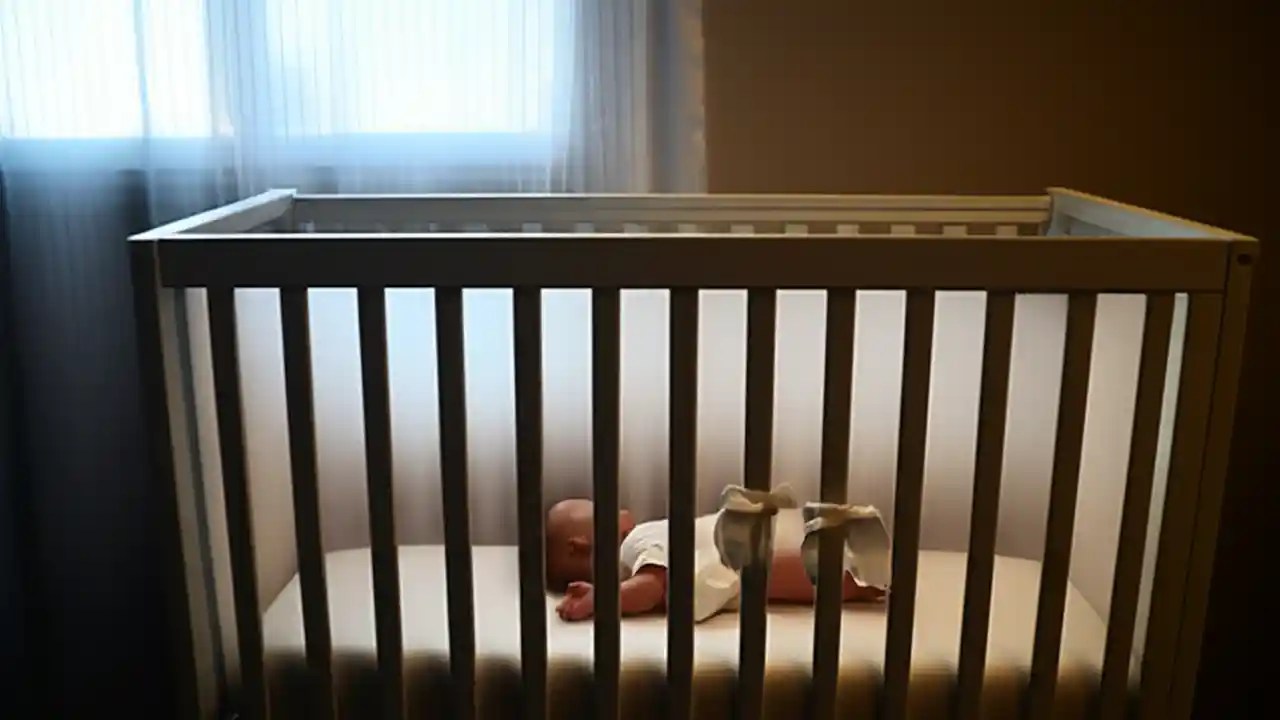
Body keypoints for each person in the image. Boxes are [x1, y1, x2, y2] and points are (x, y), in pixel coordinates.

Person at [546, 498, 885, 622]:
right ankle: (854, 575)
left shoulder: (637, 543)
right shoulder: (632, 545)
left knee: (768, 566)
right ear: (582, 545)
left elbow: (652, 584)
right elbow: (651, 585)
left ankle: (853, 575)